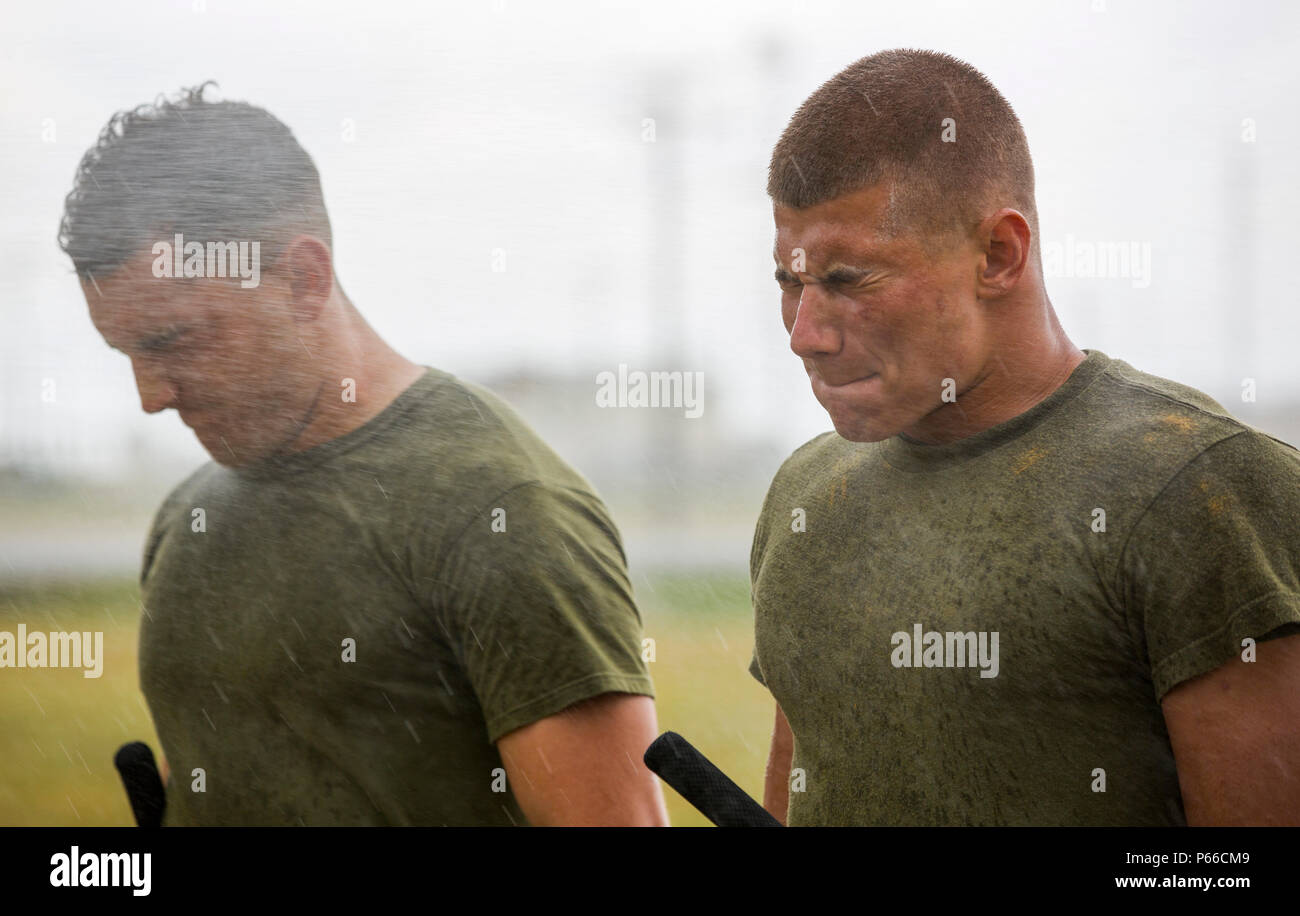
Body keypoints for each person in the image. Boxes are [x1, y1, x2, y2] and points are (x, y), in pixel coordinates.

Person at [58, 83, 668, 826]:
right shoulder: (188, 517)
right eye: (125, 351)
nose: (149, 394)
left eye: (175, 340)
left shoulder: (500, 509)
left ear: (304, 279)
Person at [749, 49, 1300, 826]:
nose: (805, 334)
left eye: (847, 280)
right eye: (789, 281)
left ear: (999, 255)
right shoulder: (807, 496)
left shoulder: (1202, 490)